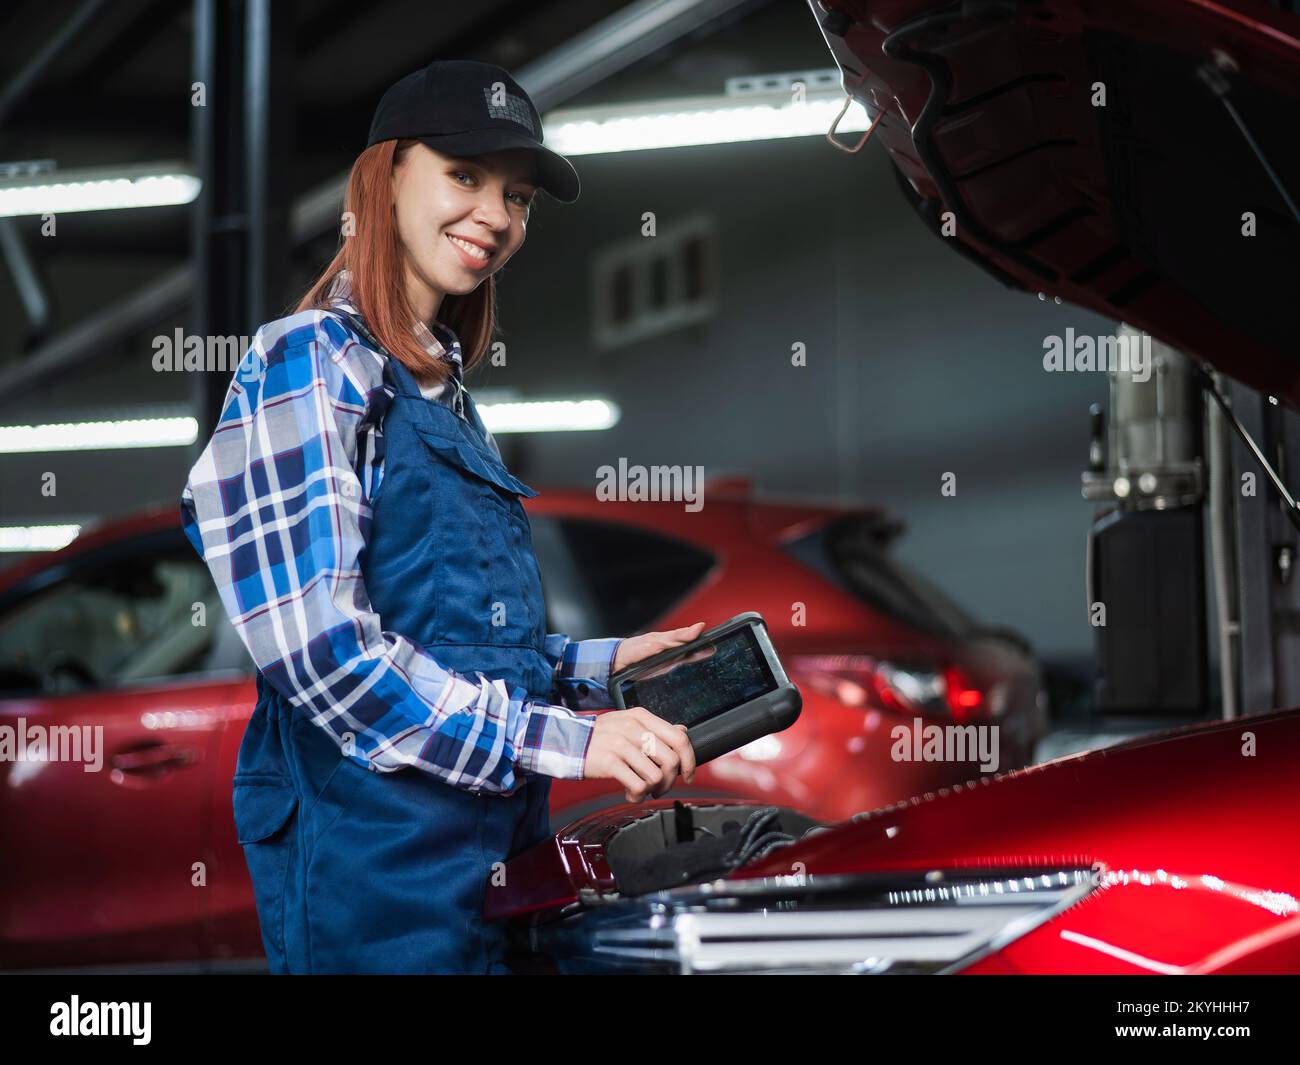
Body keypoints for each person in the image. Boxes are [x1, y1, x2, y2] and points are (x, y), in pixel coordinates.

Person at [180, 59, 700, 975]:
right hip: (375, 879)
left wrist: (599, 667)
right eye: (465, 176)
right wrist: (566, 738)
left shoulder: (446, 390)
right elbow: (326, 655)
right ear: (385, 179)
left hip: (497, 866)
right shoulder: (308, 361)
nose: (497, 216)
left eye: (520, 195)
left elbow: (452, 636)